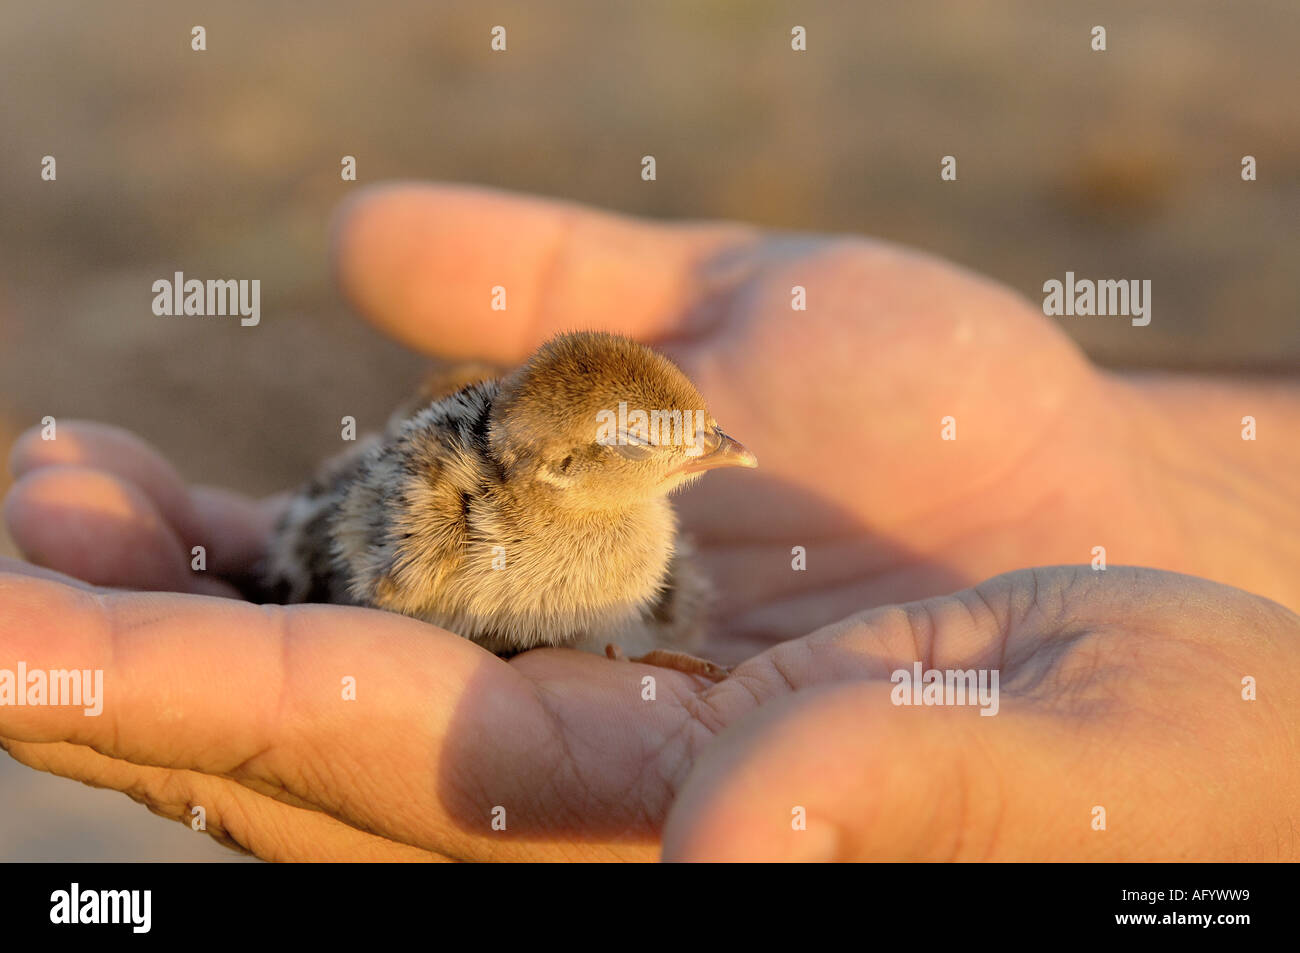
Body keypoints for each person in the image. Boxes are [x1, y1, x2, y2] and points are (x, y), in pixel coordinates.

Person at [2, 184, 1297, 861]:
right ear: (563, 470)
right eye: (667, 447)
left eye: (699, 435)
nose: (717, 456)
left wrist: (1167, 476)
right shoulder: (445, 514)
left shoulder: (636, 541)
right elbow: (348, 541)